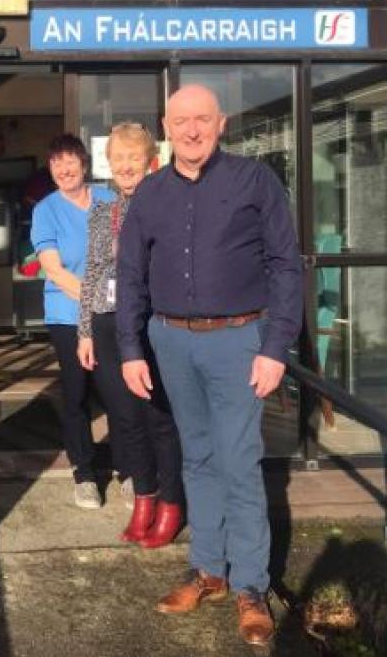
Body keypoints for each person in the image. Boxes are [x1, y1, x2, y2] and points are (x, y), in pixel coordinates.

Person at [117, 84, 303, 646]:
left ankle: (251, 587)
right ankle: (209, 572)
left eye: (202, 119)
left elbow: (285, 267)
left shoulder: (254, 181)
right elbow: (129, 277)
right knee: (197, 458)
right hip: (171, 342)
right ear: (166, 127)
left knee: (239, 461)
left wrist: (275, 348)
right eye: (181, 121)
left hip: (238, 341)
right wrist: (130, 349)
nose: (192, 130)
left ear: (221, 124)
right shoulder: (149, 194)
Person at [77, 123, 184, 547]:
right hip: (106, 322)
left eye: (133, 159)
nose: (125, 166)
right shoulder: (103, 211)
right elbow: (93, 274)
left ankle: (171, 504)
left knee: (159, 419)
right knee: (125, 420)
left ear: (151, 162)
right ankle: (144, 498)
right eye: (118, 159)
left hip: (150, 323)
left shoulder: (166, 206)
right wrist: (85, 330)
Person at [30, 133, 116, 509]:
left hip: (112, 311)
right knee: (77, 392)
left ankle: (129, 470)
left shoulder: (109, 200)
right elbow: (53, 268)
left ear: (84, 164)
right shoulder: (46, 210)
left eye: (70, 161)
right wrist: (93, 300)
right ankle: (84, 472)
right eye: (56, 162)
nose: (64, 169)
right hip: (68, 314)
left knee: (118, 393)